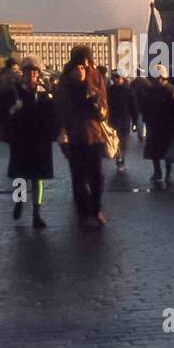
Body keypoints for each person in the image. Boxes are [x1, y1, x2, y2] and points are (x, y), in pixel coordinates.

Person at [58, 45, 110, 228]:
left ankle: (95, 209)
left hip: (94, 134)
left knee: (97, 176)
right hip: (75, 135)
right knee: (78, 177)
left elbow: (102, 105)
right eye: (82, 61)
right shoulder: (65, 79)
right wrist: (77, 84)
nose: (85, 65)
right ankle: (83, 213)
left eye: (87, 61)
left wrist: (84, 84)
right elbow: (64, 107)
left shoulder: (95, 75)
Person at [6, 56, 59, 229]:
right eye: (28, 73)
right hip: (21, 139)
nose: (31, 76)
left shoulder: (45, 92)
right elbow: (4, 112)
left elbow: (52, 114)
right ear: (23, 74)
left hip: (40, 140)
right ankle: (19, 202)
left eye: (34, 72)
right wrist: (13, 111)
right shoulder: (15, 91)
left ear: (38, 74)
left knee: (38, 178)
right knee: (20, 177)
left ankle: (37, 213)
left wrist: (53, 133)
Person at [142, 64, 174, 184]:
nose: (152, 80)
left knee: (167, 151)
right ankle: (157, 172)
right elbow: (145, 107)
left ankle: (167, 172)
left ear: (161, 77)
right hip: (154, 125)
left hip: (166, 125)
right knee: (155, 151)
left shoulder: (170, 90)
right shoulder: (151, 90)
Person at [107, 71, 137, 172]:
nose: (115, 79)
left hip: (124, 120)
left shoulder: (128, 91)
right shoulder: (110, 90)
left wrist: (135, 121)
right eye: (114, 77)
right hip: (113, 120)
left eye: (117, 77)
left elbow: (133, 107)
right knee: (115, 141)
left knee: (123, 142)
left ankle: (121, 158)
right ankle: (119, 160)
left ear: (122, 78)